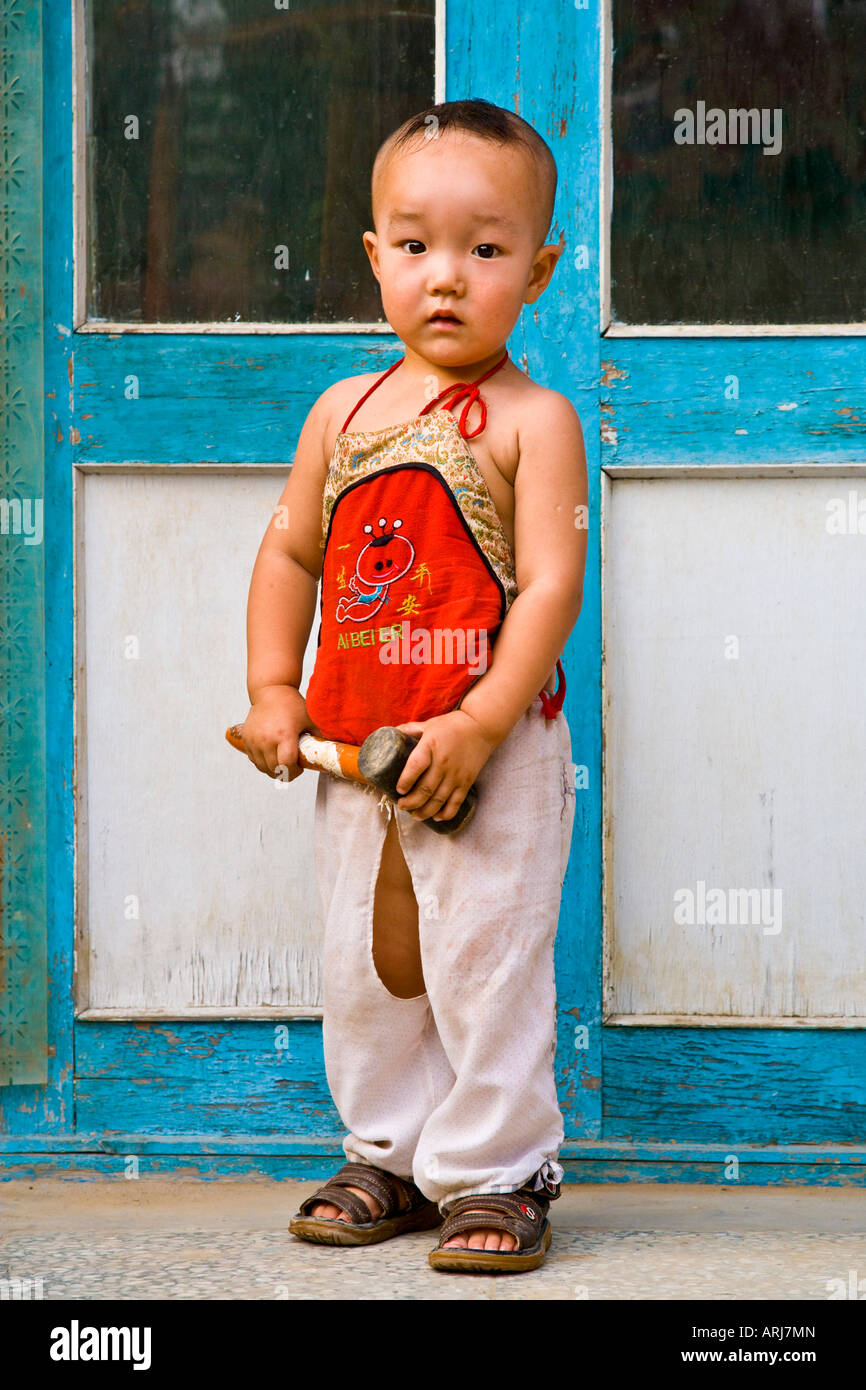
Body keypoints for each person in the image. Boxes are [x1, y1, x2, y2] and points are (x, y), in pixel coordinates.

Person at [241, 97, 588, 1273]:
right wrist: (272, 690)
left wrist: (483, 719)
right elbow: (290, 551)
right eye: (414, 245)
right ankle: (384, 1151)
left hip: (490, 750)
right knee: (367, 962)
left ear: (537, 268)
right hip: (354, 745)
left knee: (483, 957)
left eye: (485, 250)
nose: (446, 277)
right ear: (372, 256)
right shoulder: (340, 413)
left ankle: (494, 1172)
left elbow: (546, 587)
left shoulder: (535, 421)